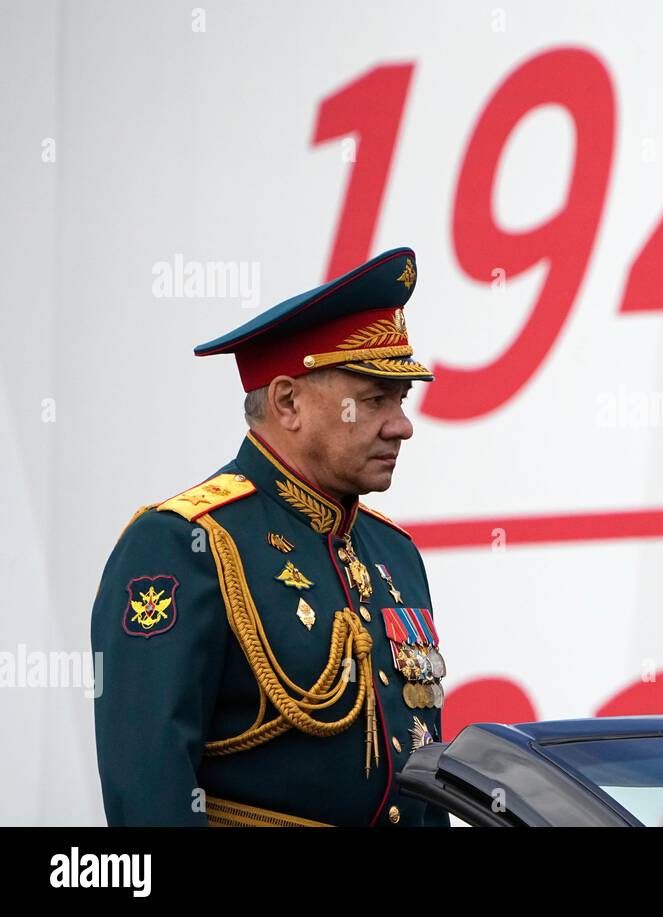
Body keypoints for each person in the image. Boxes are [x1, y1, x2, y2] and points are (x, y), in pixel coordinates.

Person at [90, 246, 451, 826]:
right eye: (375, 400)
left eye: (402, 400)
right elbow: (148, 790)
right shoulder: (185, 544)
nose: (402, 425)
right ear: (287, 401)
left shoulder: (393, 552)